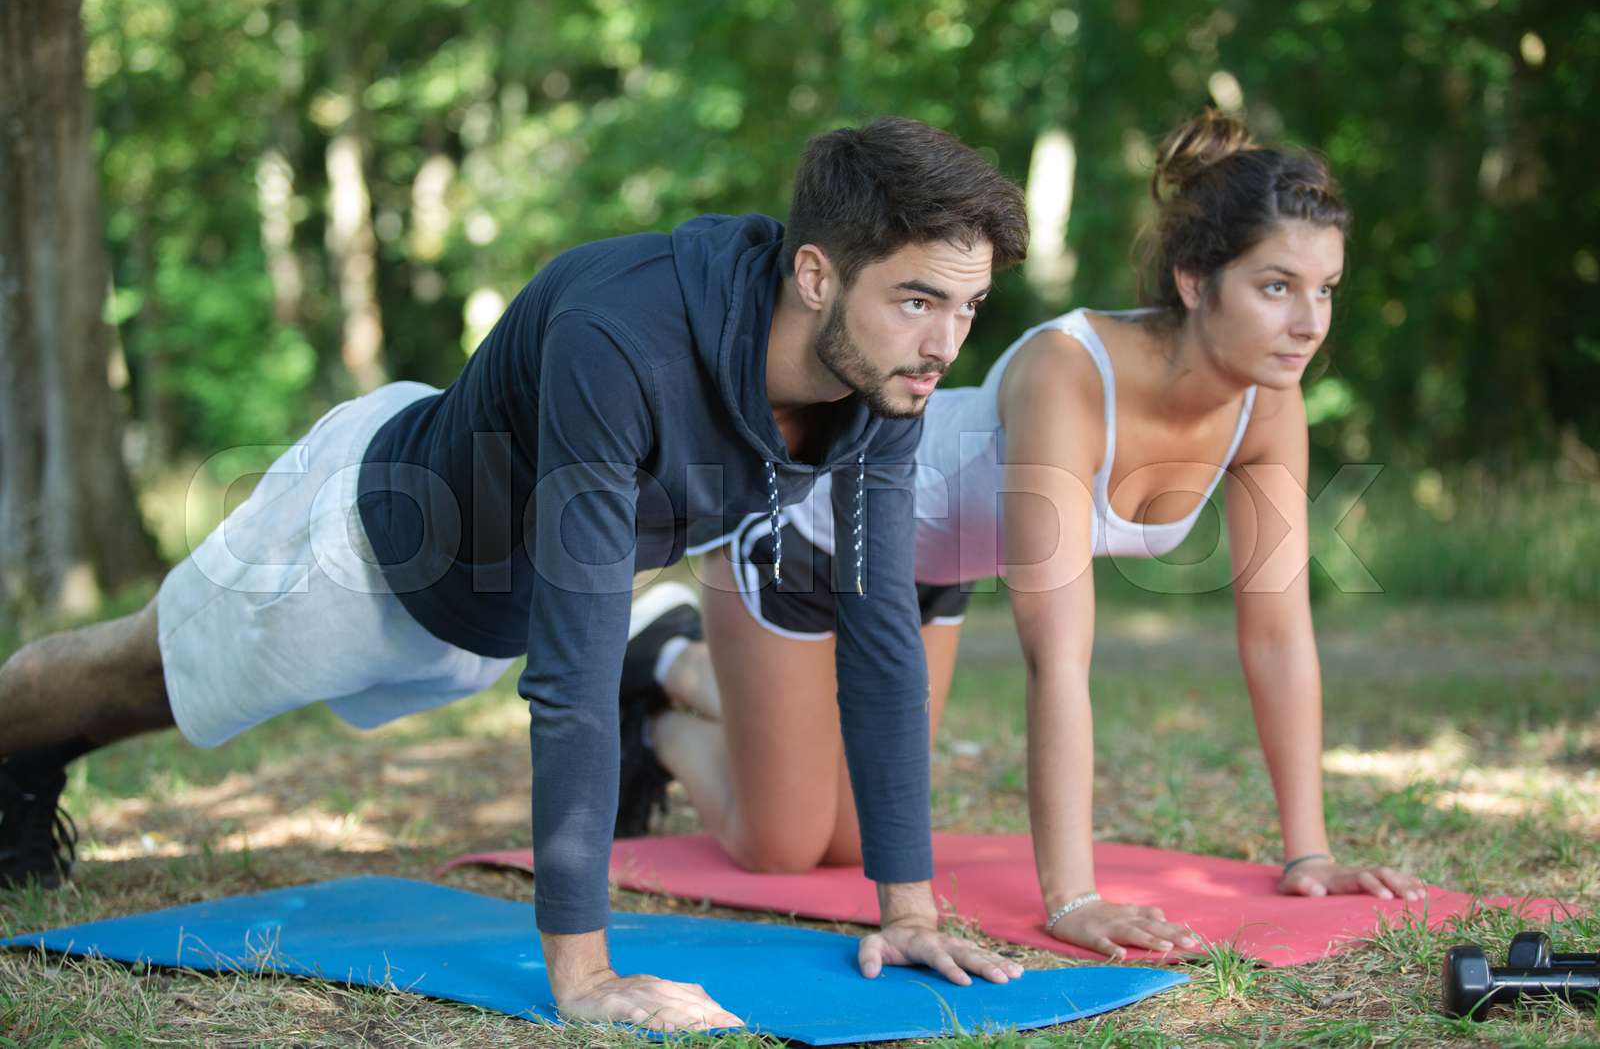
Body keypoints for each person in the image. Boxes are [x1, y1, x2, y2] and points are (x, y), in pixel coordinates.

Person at [0, 117, 1032, 1031]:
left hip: (490, 618)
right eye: (916, 299)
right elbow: (570, 672)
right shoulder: (622, 336)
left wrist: (906, 909)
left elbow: (882, 631)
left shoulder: (883, 381)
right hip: (363, 556)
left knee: (450, 655)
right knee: (144, 682)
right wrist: (582, 971)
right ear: (816, 275)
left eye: (968, 307)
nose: (944, 343)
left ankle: (654, 660)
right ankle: (18, 750)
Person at [626, 110, 1426, 963]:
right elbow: (1059, 656)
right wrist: (1072, 897)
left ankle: (706, 678)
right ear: (1195, 279)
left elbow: (1277, 633)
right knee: (781, 845)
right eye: (1277, 286)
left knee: (853, 842)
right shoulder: (1071, 372)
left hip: (921, 576)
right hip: (804, 532)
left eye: (1326, 288)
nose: (1310, 321)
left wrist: (1309, 853)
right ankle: (661, 676)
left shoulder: (1269, 401)